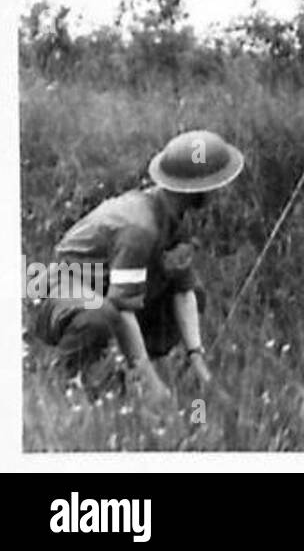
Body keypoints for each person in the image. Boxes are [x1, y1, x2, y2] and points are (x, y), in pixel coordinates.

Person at [31, 130, 244, 404]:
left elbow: (183, 288)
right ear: (196, 190)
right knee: (102, 315)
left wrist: (200, 365)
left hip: (104, 290)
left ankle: (120, 372)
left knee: (194, 293)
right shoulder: (140, 228)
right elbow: (121, 306)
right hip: (56, 293)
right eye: (214, 183)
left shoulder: (174, 214)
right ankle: (66, 379)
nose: (218, 190)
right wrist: (153, 385)